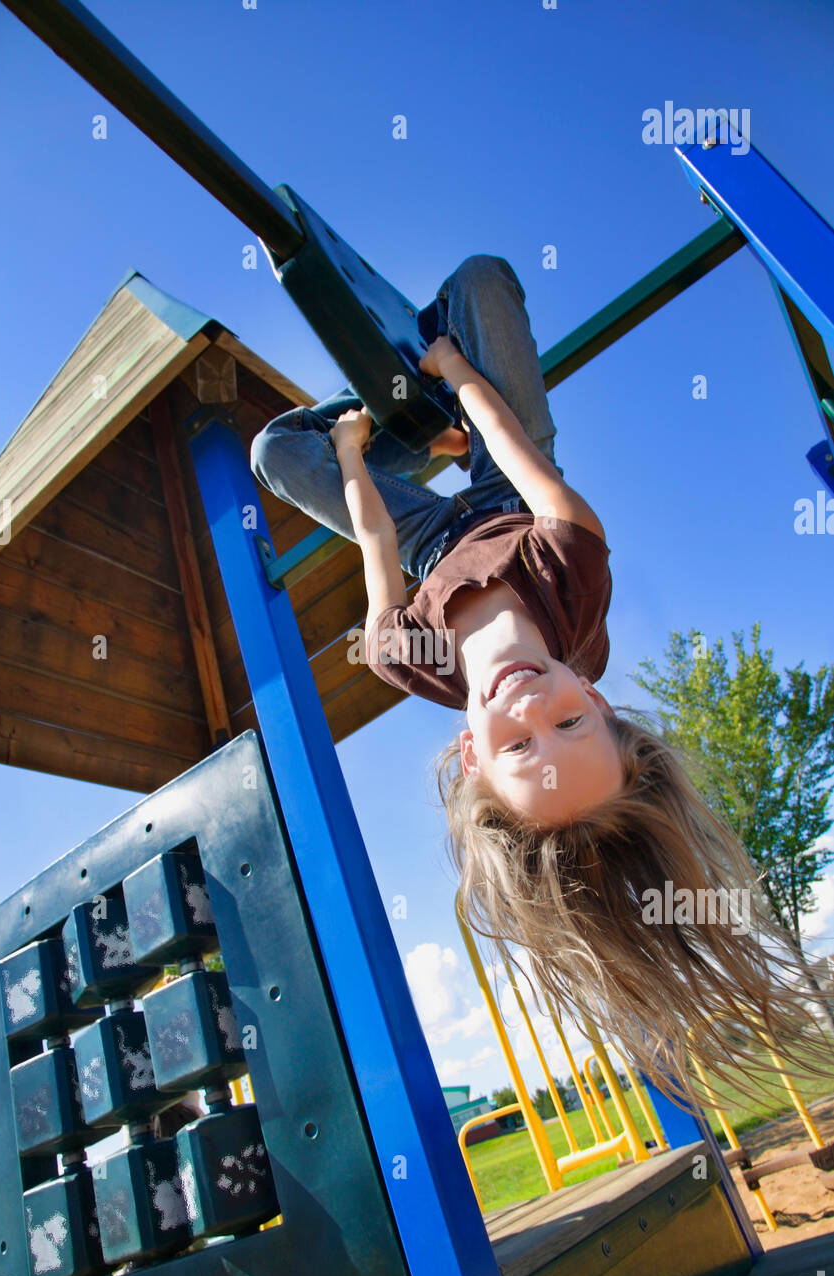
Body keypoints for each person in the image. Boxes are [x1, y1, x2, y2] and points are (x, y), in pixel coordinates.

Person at [250, 255, 832, 1111]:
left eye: (518, 745)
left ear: (472, 755)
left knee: (274, 451)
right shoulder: (573, 571)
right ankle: (448, 417)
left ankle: (412, 436)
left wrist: (346, 455)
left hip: (422, 536)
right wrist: (455, 373)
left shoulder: (407, 658)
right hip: (506, 488)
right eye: (567, 724)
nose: (530, 709)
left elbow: (374, 546)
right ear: (595, 700)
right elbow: (525, 464)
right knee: (484, 278)